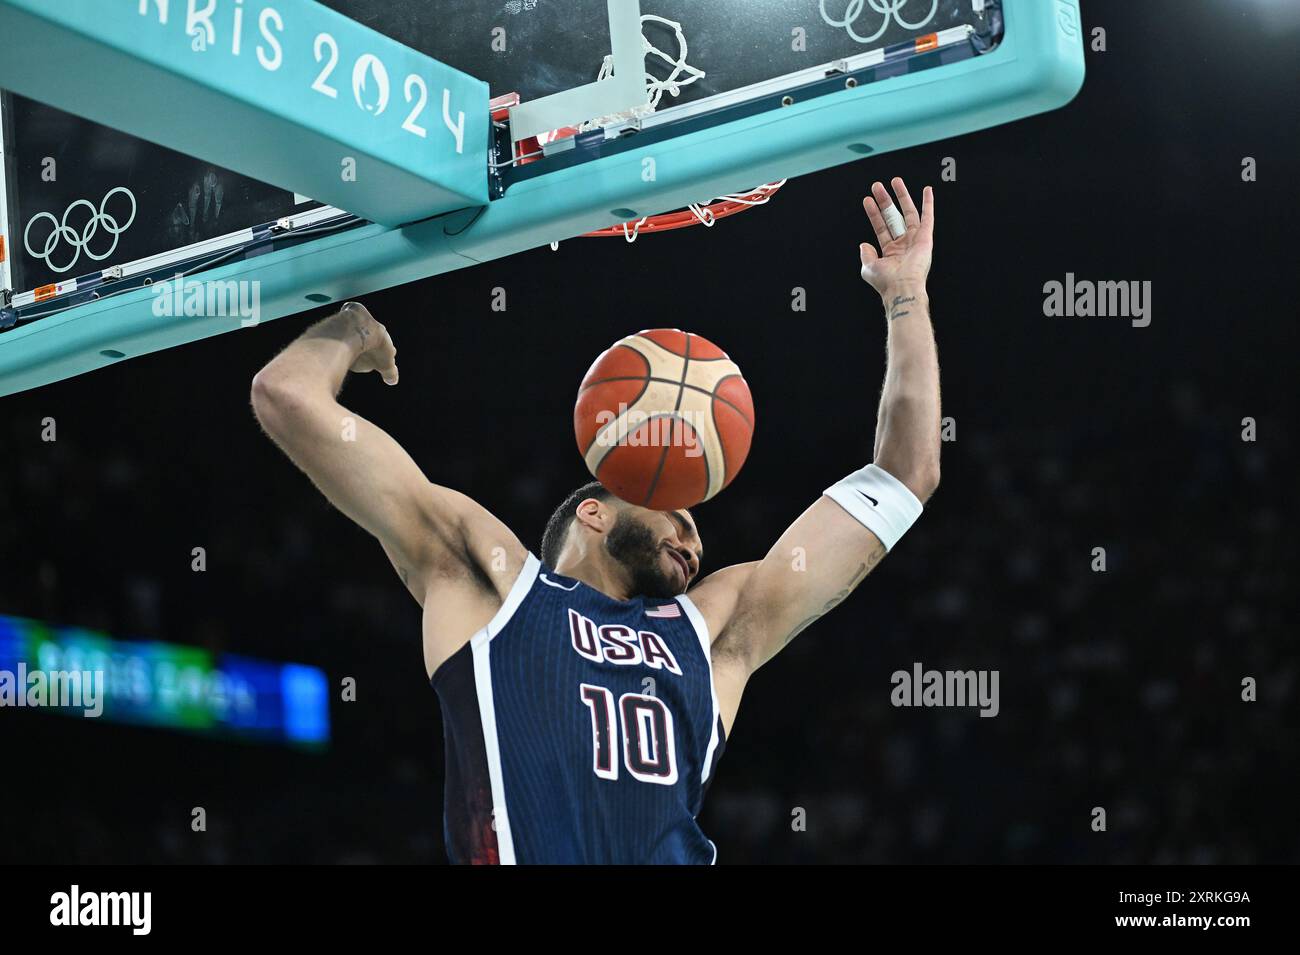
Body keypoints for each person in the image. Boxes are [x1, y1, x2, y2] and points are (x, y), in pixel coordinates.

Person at [250, 178, 941, 864]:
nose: (695, 540)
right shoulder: (491, 583)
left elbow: (904, 477)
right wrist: (350, 328)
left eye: (695, 530)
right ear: (594, 507)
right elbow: (286, 395)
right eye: (677, 514)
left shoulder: (711, 628)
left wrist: (906, 296)